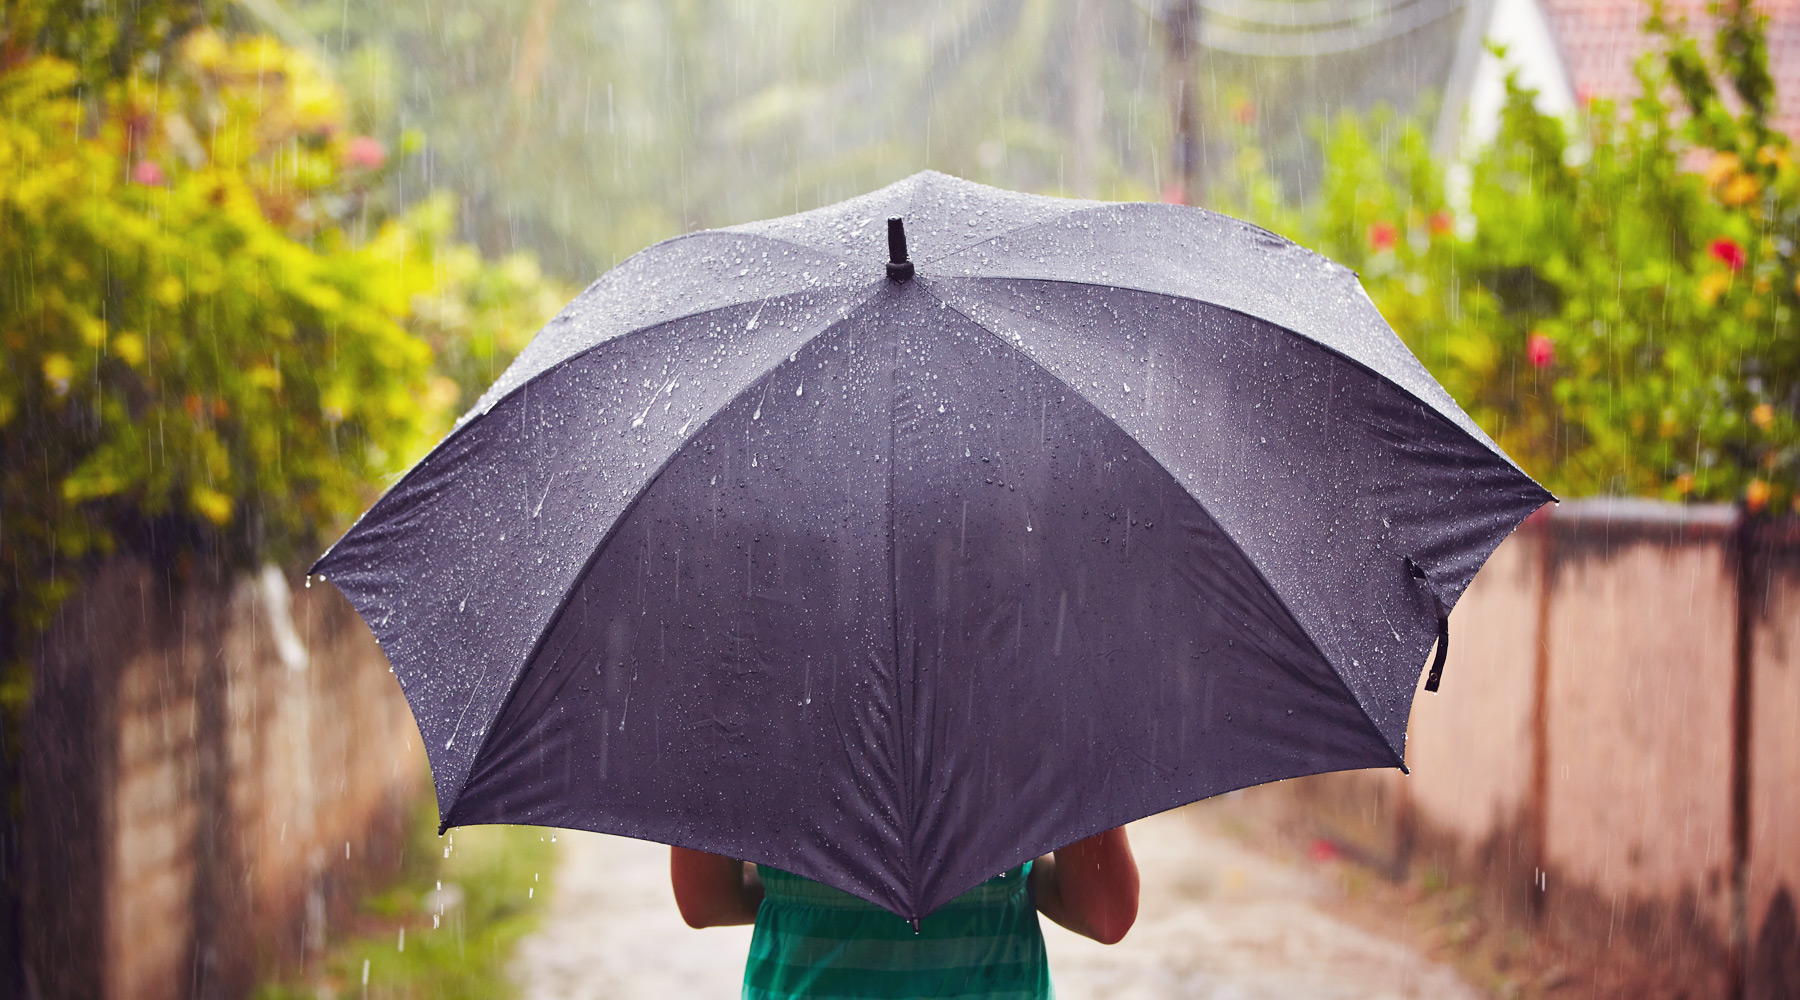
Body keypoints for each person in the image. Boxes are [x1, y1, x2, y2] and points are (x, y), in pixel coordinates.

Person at [671, 827, 1139, 999]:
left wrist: (816, 889)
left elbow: (704, 900)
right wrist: (993, 879)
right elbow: (1103, 912)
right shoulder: (1020, 684)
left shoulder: (753, 687)